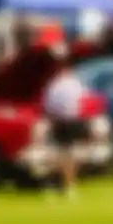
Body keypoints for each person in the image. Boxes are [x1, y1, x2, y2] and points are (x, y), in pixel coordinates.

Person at [42, 52, 88, 198]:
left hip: (61, 120)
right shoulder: (74, 83)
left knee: (62, 153)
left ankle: (61, 182)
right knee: (70, 153)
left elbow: (49, 105)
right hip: (72, 119)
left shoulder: (54, 84)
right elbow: (83, 100)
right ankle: (68, 183)